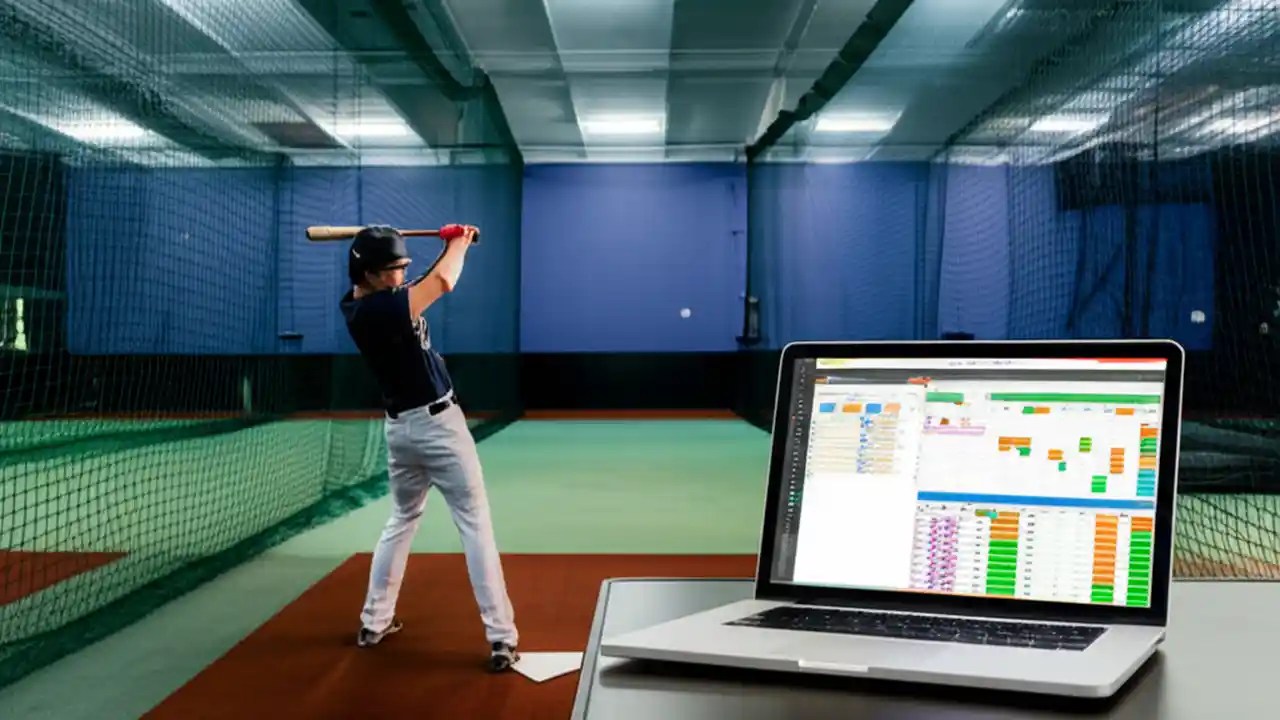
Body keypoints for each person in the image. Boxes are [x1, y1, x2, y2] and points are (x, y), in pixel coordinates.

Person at [338, 223, 519, 672]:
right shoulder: (378, 312)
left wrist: (448, 246)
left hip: (401, 432)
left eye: (402, 268)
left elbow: (425, 281)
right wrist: (459, 242)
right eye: (390, 271)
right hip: (438, 428)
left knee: (401, 519)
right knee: (475, 523)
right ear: (367, 275)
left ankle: (373, 622)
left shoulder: (362, 304)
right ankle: (502, 637)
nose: (399, 277)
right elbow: (442, 281)